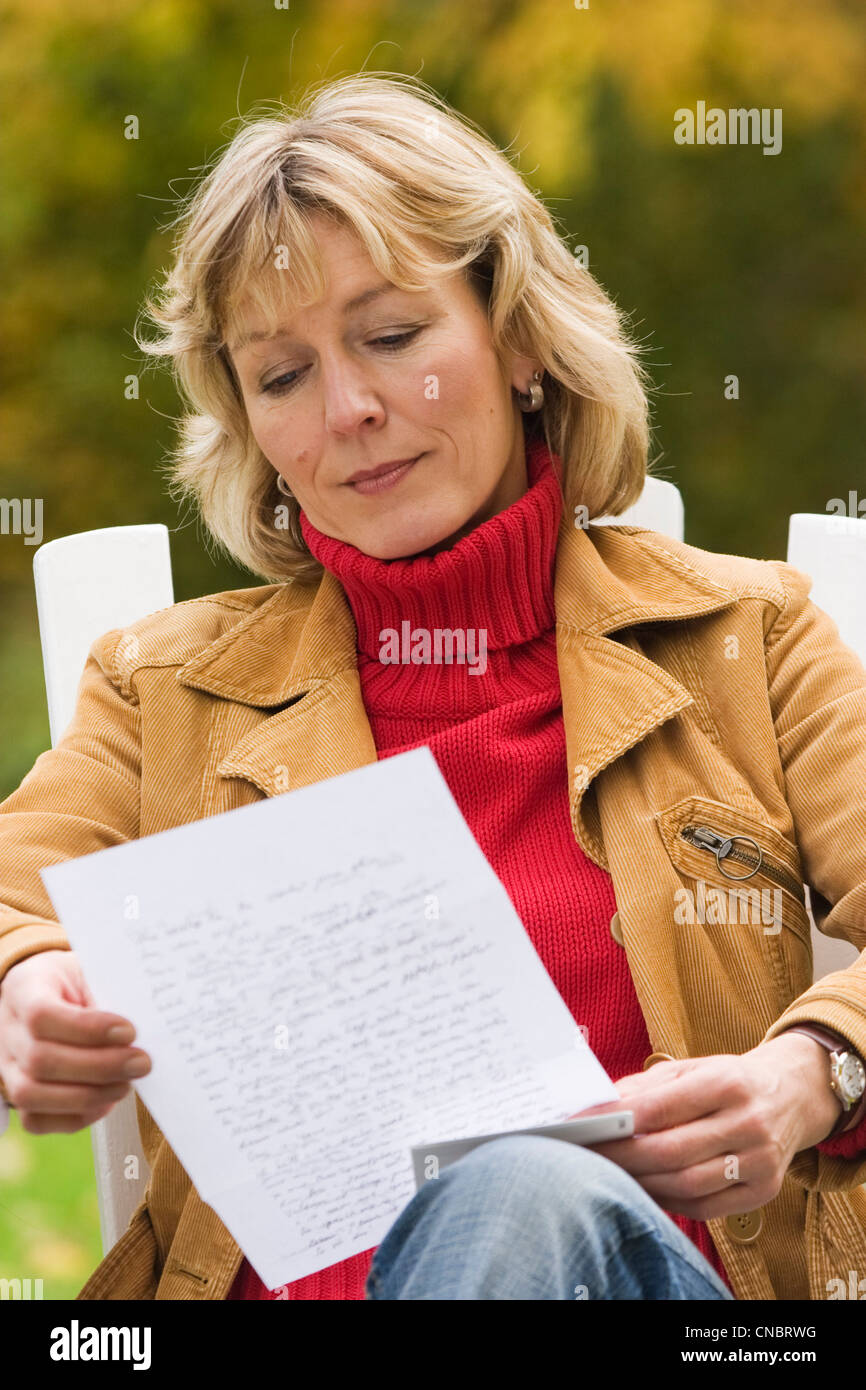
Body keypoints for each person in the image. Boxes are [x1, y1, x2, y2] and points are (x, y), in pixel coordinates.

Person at [1, 71, 865, 1303]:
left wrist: (805, 1076)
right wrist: (28, 989)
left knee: (522, 1188)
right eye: (281, 374)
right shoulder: (164, 693)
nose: (347, 409)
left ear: (517, 341)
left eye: (392, 336)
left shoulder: (747, 642)